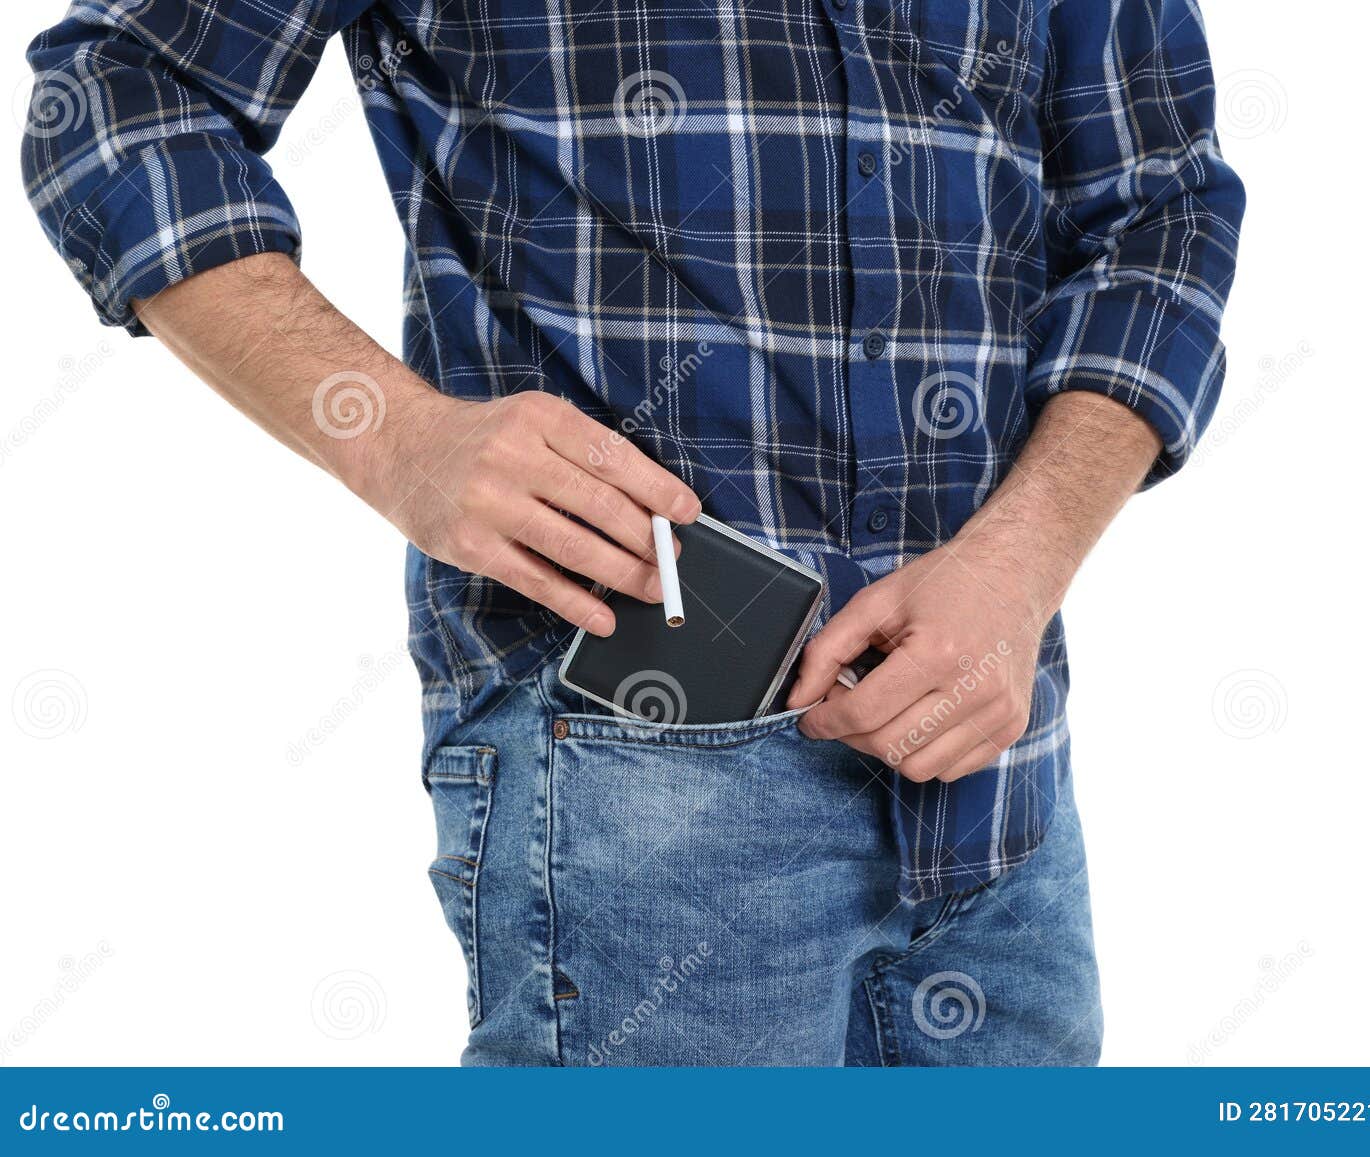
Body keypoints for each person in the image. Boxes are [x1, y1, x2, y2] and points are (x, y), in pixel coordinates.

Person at [21, 0, 1243, 1065]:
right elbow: (122, 91)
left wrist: (1023, 560)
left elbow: (1160, 207)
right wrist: (396, 435)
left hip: (999, 788)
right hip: (636, 776)